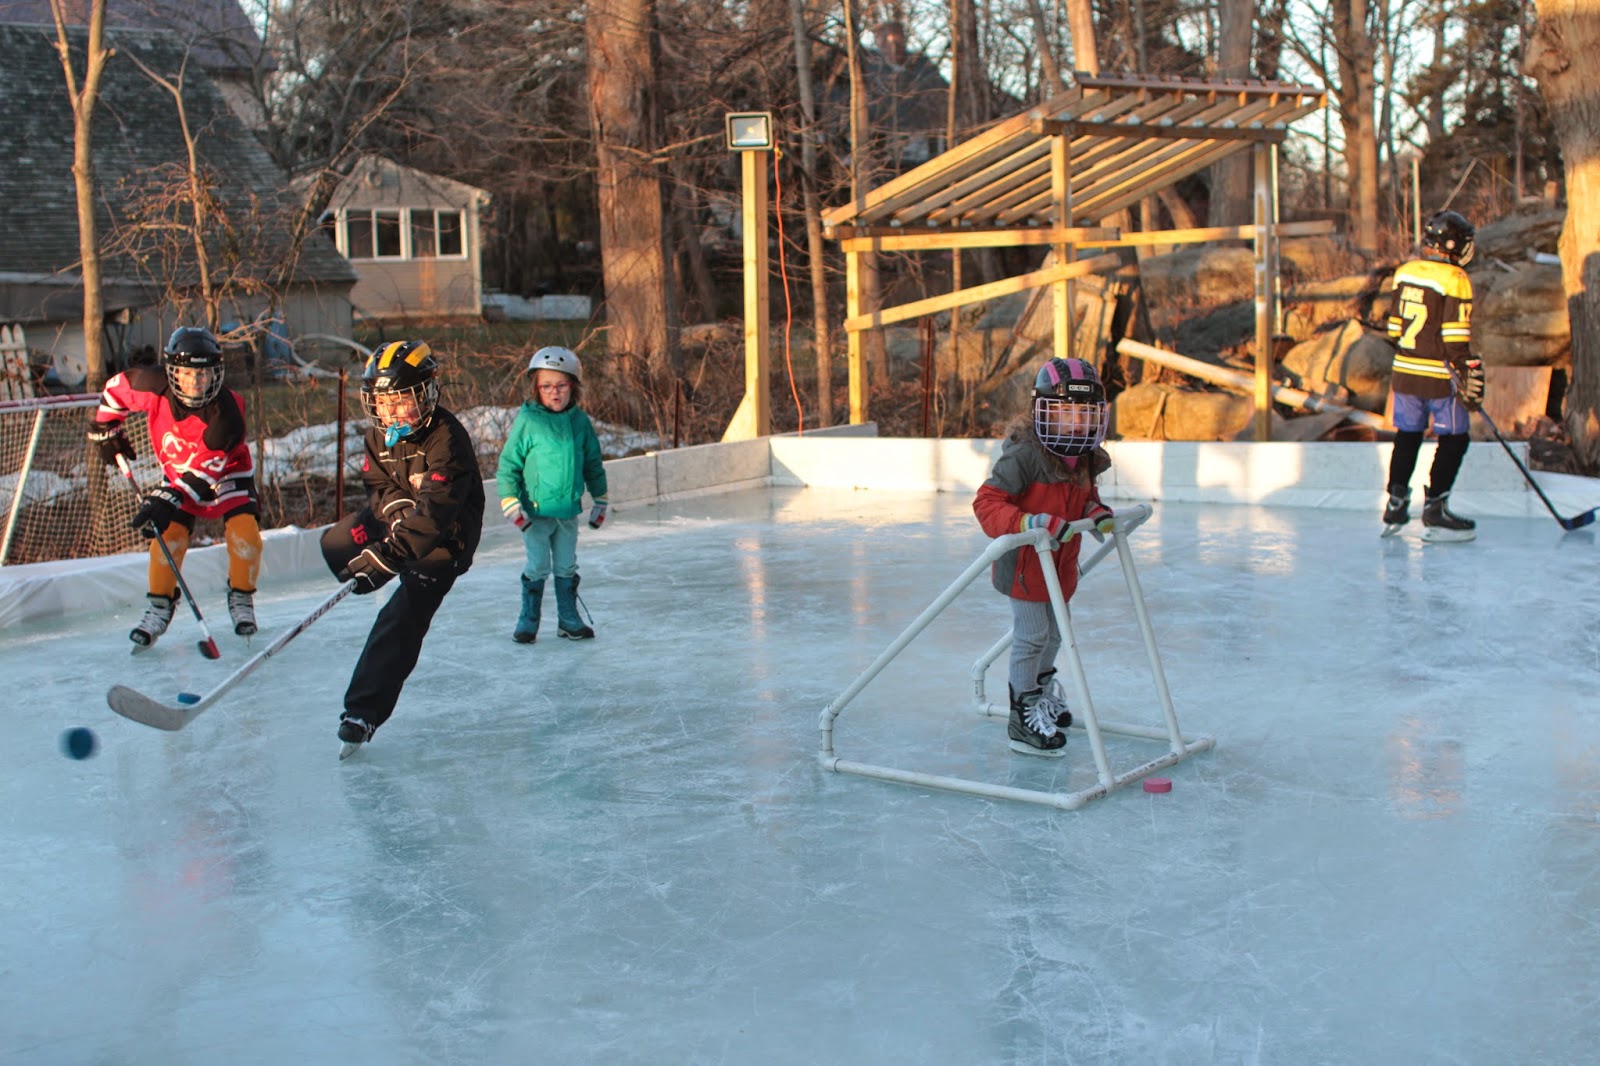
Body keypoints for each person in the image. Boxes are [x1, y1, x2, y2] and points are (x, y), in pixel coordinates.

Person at [319, 340, 483, 758]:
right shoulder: (379, 435)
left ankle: (362, 713)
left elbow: (433, 516)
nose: (393, 413)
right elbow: (379, 486)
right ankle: (366, 572)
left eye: (403, 401)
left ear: (426, 393)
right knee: (337, 542)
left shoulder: (448, 440)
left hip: (445, 541)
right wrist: (391, 521)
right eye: (384, 403)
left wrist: (387, 557)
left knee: (402, 614)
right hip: (405, 522)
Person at [973, 357, 1116, 757]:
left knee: (1056, 635)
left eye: (1084, 411)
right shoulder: (1024, 456)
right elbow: (987, 503)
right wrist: (1027, 521)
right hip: (1027, 567)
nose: (1075, 420)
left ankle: (1040, 694)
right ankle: (1023, 713)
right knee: (1033, 636)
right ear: (1043, 411)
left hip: (1061, 566)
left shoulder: (1086, 455)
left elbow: (1085, 499)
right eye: (1065, 410)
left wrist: (1096, 514)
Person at [87, 326, 262, 647]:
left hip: (226, 472)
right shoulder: (149, 384)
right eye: (186, 373)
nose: (196, 382)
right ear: (172, 372)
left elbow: (202, 475)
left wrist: (165, 500)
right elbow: (113, 392)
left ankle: (241, 598)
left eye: (204, 374)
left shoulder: (228, 414)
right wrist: (104, 428)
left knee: (244, 533)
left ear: (217, 374)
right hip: (179, 472)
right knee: (167, 536)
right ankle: (159, 605)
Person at [494, 345, 608, 644]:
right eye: (546, 386)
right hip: (534, 514)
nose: (554, 393)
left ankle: (569, 620)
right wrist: (510, 502)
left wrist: (601, 498)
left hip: (567, 511)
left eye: (561, 385)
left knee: (567, 566)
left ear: (573, 386)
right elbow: (508, 466)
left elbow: (593, 464)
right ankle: (528, 619)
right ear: (536, 388)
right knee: (537, 566)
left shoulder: (580, 422)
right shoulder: (529, 421)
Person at [1383, 209, 1482, 542]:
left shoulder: (1404, 271)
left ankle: (1396, 503)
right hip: (1440, 378)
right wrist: (1468, 370)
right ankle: (1436, 507)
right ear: (1453, 244)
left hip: (1405, 375)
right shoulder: (1455, 278)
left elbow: (1394, 328)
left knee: (1407, 435)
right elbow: (1455, 338)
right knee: (1455, 438)